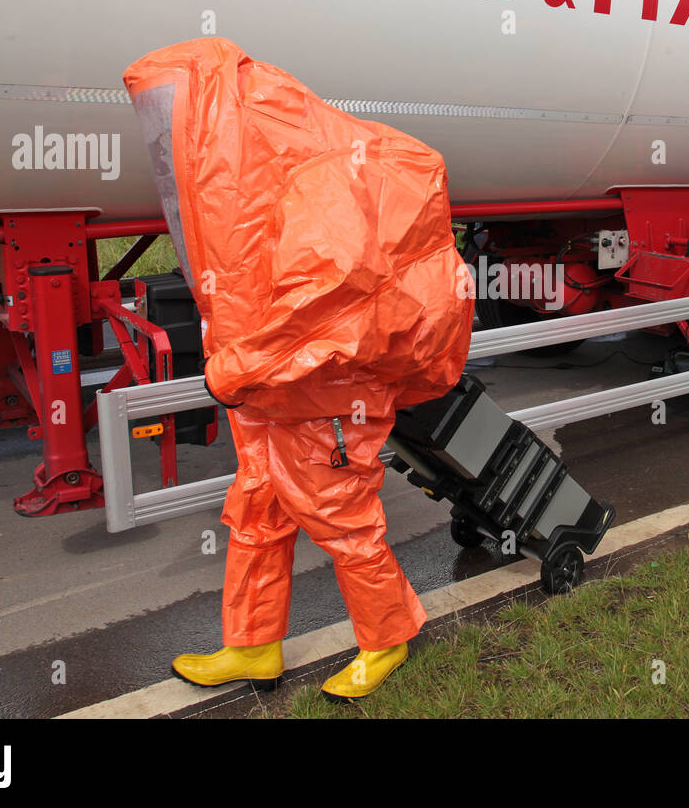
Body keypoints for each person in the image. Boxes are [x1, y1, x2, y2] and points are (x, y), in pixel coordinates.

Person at [123, 38, 473, 700]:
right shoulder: (246, 178)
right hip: (265, 395)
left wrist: (237, 367)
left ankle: (388, 635)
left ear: (213, 113)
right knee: (257, 512)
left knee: (343, 519)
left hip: (325, 399)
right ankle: (252, 646)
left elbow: (326, 303)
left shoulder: (317, 175)